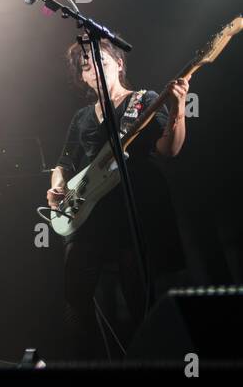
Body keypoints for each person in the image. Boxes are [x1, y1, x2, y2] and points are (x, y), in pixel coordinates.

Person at [46, 39, 190, 358]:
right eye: (84, 65)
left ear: (119, 64)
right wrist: (57, 186)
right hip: (91, 211)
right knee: (75, 295)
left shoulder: (145, 101)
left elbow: (170, 149)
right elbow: (64, 162)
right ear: (81, 78)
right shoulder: (82, 117)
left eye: (98, 60)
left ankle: (150, 360)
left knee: (138, 294)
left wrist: (179, 107)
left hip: (133, 205)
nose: (92, 67)